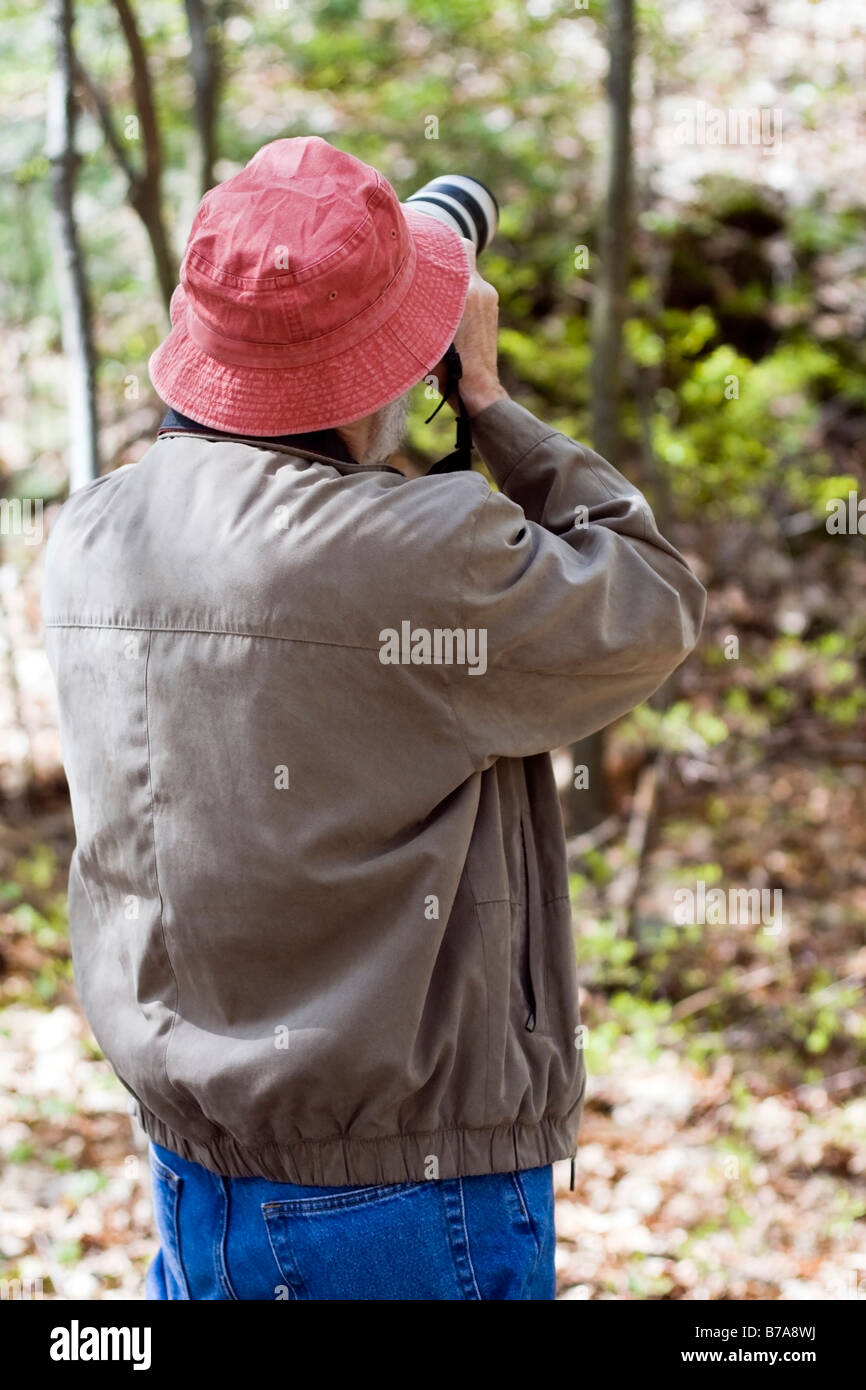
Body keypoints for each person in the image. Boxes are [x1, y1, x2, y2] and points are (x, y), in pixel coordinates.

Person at [42, 136, 706, 1301]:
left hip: (196, 1166)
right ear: (393, 360)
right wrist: (490, 404)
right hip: (403, 1203)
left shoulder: (97, 530)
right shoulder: (421, 554)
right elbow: (649, 604)